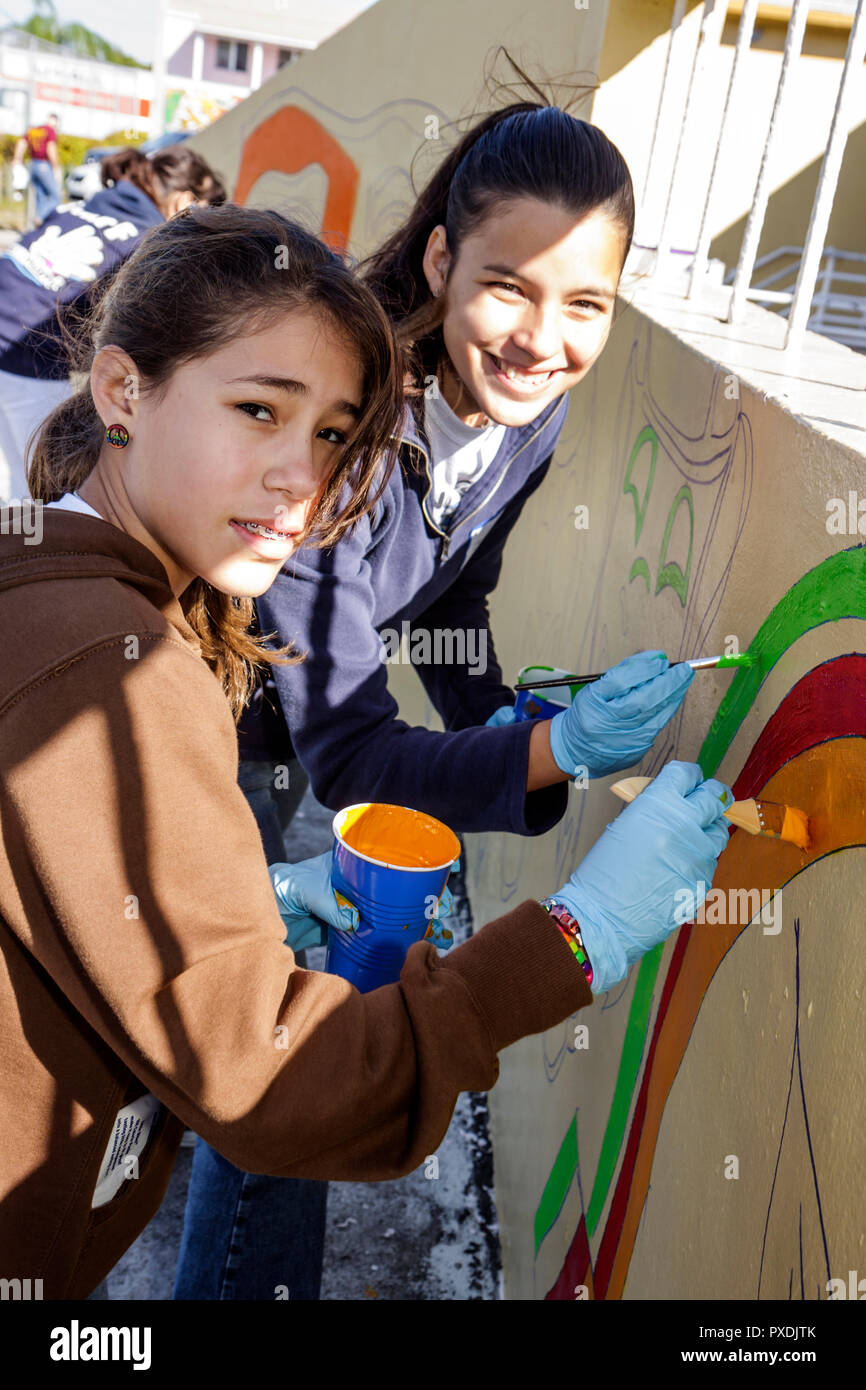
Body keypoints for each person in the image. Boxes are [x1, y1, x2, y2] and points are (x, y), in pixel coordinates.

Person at [0, 202, 733, 1300]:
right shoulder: (120, 670)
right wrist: (576, 936)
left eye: (335, 434)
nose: (302, 477)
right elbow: (273, 1089)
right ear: (121, 393)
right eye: (258, 409)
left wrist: (239, 894)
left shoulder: (62, 599)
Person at [175, 99, 709, 1299]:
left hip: (297, 717)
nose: (541, 340)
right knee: (266, 1051)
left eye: (586, 305)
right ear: (437, 261)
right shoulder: (337, 432)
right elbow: (358, 755)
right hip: (198, 714)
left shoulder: (531, 410)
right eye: (507, 288)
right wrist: (546, 757)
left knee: (280, 1024)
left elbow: (456, 603)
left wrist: (520, 724)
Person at [0, 144, 225, 504]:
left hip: (12, 335)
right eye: (204, 213)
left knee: (23, 478)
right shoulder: (151, 240)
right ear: (184, 201)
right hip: (28, 355)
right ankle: (35, 554)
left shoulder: (92, 204)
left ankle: (18, 543)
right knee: (46, 484)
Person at [12, 113, 62, 225]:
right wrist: (56, 167)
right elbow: (51, 149)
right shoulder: (50, 130)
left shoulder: (35, 130)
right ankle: (40, 217)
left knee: (41, 196)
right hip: (43, 165)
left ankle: (39, 225)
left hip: (32, 164)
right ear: (55, 121)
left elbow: (22, 142)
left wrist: (17, 158)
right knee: (56, 196)